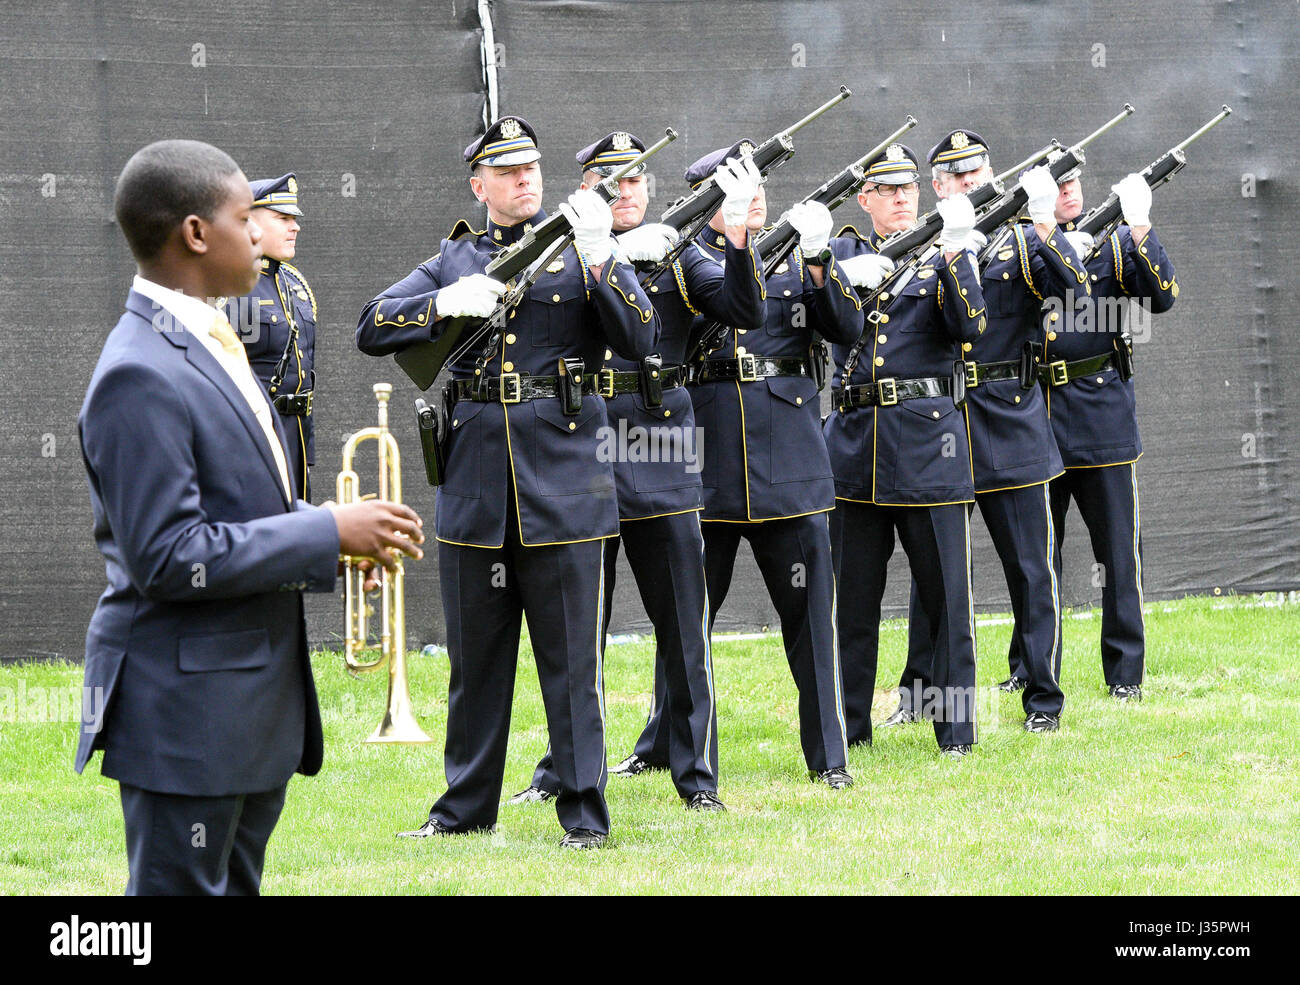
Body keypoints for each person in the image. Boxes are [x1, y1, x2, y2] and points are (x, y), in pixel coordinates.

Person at [76, 139, 423, 895]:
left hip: (242, 708)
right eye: (247, 219)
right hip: (188, 714)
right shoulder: (139, 369)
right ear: (197, 235)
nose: (262, 235)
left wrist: (328, 532)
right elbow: (167, 555)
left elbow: (238, 505)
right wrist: (325, 531)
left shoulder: (206, 335)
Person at [356, 116, 658, 850]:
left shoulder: (583, 246)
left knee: (572, 668)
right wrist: (441, 305)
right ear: (479, 184)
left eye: (532, 168)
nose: (525, 179)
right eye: (508, 170)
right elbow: (371, 324)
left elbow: (642, 338)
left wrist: (601, 257)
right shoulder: (454, 258)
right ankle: (464, 809)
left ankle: (584, 813)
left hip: (565, 483)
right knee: (477, 666)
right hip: (479, 489)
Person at [512, 131, 765, 812]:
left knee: (684, 622)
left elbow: (745, 310)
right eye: (610, 179)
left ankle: (696, 774)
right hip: (582, 447)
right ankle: (562, 769)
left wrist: (737, 237)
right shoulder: (562, 256)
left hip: (657, 446)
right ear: (588, 187)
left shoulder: (678, 254)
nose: (625, 192)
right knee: (577, 631)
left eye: (635, 181)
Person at [614, 141, 862, 788]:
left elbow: (847, 327)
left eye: (757, 190)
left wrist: (819, 260)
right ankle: (662, 740)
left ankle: (830, 757)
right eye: (735, 193)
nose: (754, 200)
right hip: (710, 463)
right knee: (685, 621)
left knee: (811, 620)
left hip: (792, 461)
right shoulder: (686, 265)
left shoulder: (791, 261)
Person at [887, 131, 1091, 734]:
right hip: (940, 419)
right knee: (937, 575)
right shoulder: (926, 246)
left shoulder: (1020, 239)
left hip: (1010, 418)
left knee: (1031, 568)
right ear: (937, 187)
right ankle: (921, 694)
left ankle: (1042, 697)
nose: (968, 181)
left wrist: (1046, 220)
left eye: (976, 170)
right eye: (954, 175)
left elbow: (1076, 288)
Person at [824, 142, 987, 757]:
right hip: (856, 449)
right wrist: (832, 274)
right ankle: (847, 727)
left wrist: (953, 256)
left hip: (930, 447)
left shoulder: (946, 250)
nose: (900, 198)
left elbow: (972, 326)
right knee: (852, 602)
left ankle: (956, 732)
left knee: (947, 598)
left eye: (909, 189)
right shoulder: (842, 254)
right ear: (864, 200)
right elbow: (823, 323)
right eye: (886, 190)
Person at [1032, 161, 1177, 702]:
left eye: (1071, 181)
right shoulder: (1027, 242)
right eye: (1055, 184)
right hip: (1038, 413)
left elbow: (1161, 297)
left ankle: (1125, 675)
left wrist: (1140, 226)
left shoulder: (1115, 244)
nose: (1066, 191)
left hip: (1101, 414)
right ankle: (1033, 668)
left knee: (1118, 552)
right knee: (1038, 556)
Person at [228, 172, 317, 499]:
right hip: (250, 444)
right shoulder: (227, 287)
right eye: (283, 218)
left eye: (294, 218)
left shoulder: (297, 285)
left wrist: (306, 453)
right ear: (248, 221)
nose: (295, 226)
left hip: (297, 443)